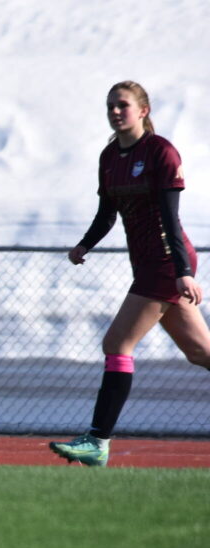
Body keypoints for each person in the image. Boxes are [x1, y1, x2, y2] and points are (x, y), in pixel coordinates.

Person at [49, 81, 210, 466]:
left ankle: (97, 441)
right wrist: (84, 245)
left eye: (123, 105)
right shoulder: (110, 157)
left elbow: (171, 219)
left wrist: (183, 272)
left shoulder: (160, 152)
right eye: (110, 106)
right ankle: (97, 441)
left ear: (143, 110)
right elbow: (107, 213)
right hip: (150, 264)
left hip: (166, 263)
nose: (116, 111)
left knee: (117, 343)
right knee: (200, 352)